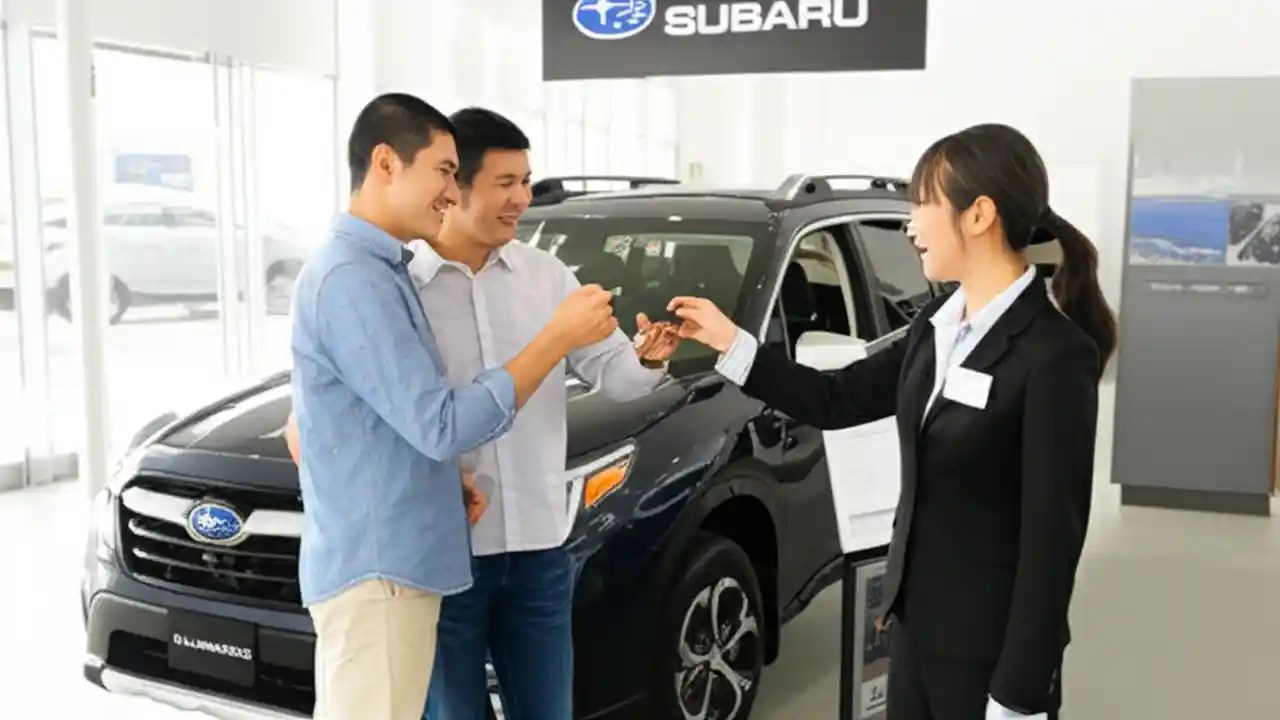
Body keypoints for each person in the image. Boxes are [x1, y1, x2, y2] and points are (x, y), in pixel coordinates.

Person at [669, 123, 1116, 720]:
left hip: (990, 651)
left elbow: (1051, 544)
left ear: (979, 214)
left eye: (923, 203)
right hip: (915, 630)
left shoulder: (1054, 355)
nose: (910, 224)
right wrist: (732, 343)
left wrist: (1021, 691)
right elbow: (836, 399)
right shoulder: (938, 325)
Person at [291, 93, 619, 720]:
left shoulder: (377, 272)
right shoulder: (355, 278)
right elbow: (439, 423)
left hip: (430, 557)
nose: (448, 192)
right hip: (383, 573)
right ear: (387, 163)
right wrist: (554, 340)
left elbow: (383, 423)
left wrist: (443, 484)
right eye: (444, 171)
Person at [409, 107, 679, 720]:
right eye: (505, 184)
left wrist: (649, 359)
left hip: (537, 548)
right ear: (455, 188)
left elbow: (616, 374)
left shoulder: (546, 275)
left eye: (526, 182)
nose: (522, 200)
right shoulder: (407, 287)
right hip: (443, 555)